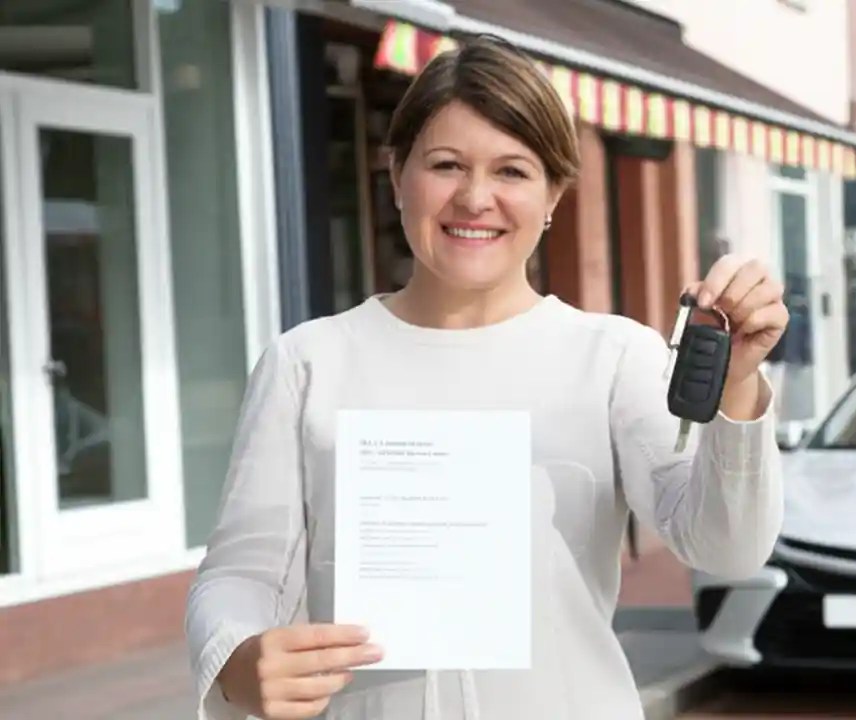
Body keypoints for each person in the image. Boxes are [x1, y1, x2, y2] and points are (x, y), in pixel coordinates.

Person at [185, 34, 787, 720]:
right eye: (446, 164)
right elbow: (240, 573)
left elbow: (727, 548)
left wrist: (737, 388)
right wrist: (235, 660)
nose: (476, 198)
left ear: (554, 192)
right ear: (397, 172)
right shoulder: (310, 363)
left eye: (512, 171)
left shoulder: (614, 357)